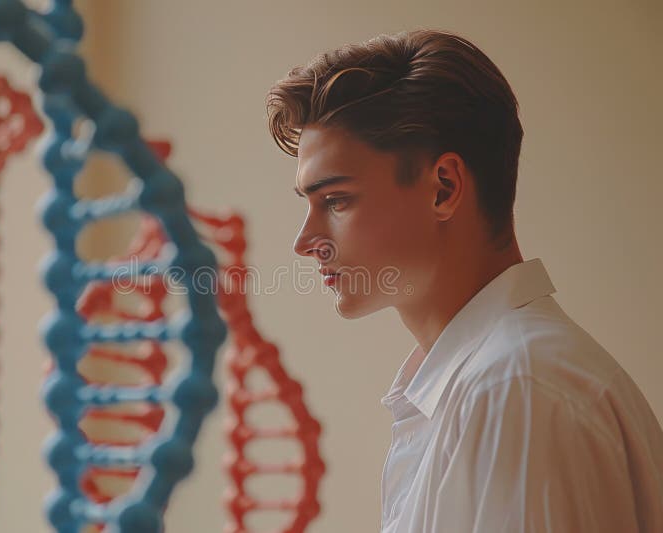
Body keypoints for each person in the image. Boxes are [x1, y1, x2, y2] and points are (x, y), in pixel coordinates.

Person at [265, 29, 663, 532]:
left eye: (336, 200)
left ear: (444, 188)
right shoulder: (489, 383)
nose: (305, 241)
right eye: (309, 203)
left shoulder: (515, 388)